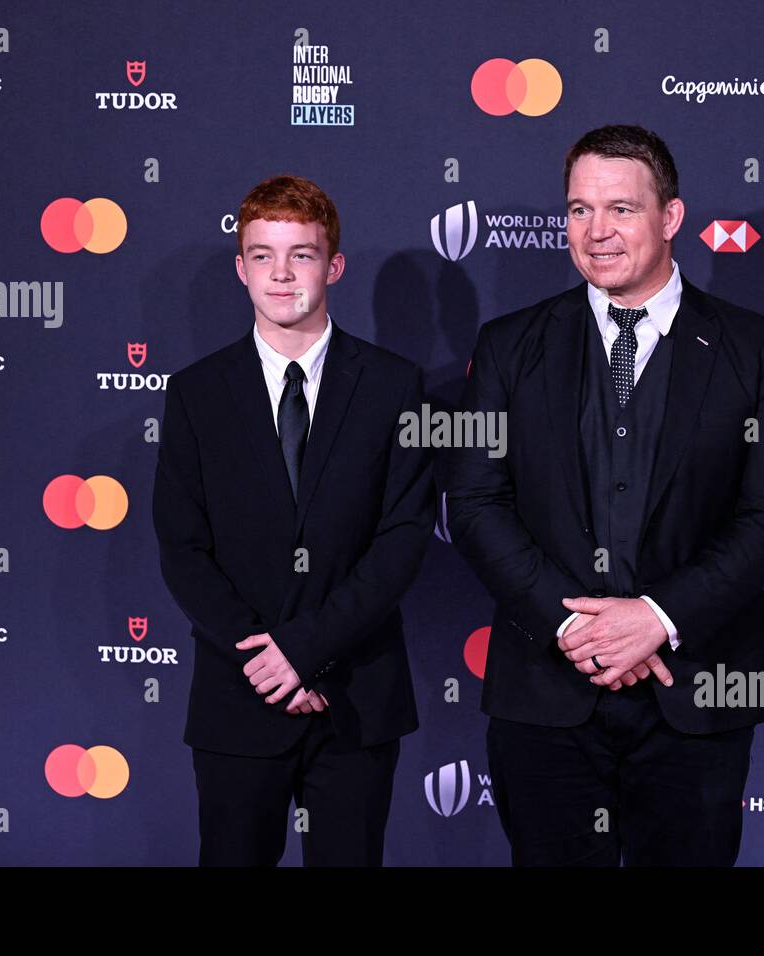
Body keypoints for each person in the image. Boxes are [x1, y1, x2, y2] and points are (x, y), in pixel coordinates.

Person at [441, 124, 764, 866]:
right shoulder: (511, 344)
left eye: (621, 209)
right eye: (579, 210)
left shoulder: (756, 349)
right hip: (545, 690)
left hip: (697, 689)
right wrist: (574, 628)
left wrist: (656, 617)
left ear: (670, 218)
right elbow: (476, 502)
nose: (597, 232)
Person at [152, 174, 434, 866]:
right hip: (237, 695)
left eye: (302, 254)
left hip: (356, 697)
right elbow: (184, 549)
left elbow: (402, 540)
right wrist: (266, 658)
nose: (282, 274)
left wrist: (305, 651)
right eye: (263, 255)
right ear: (240, 266)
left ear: (333, 266)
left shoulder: (395, 386)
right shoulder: (195, 394)